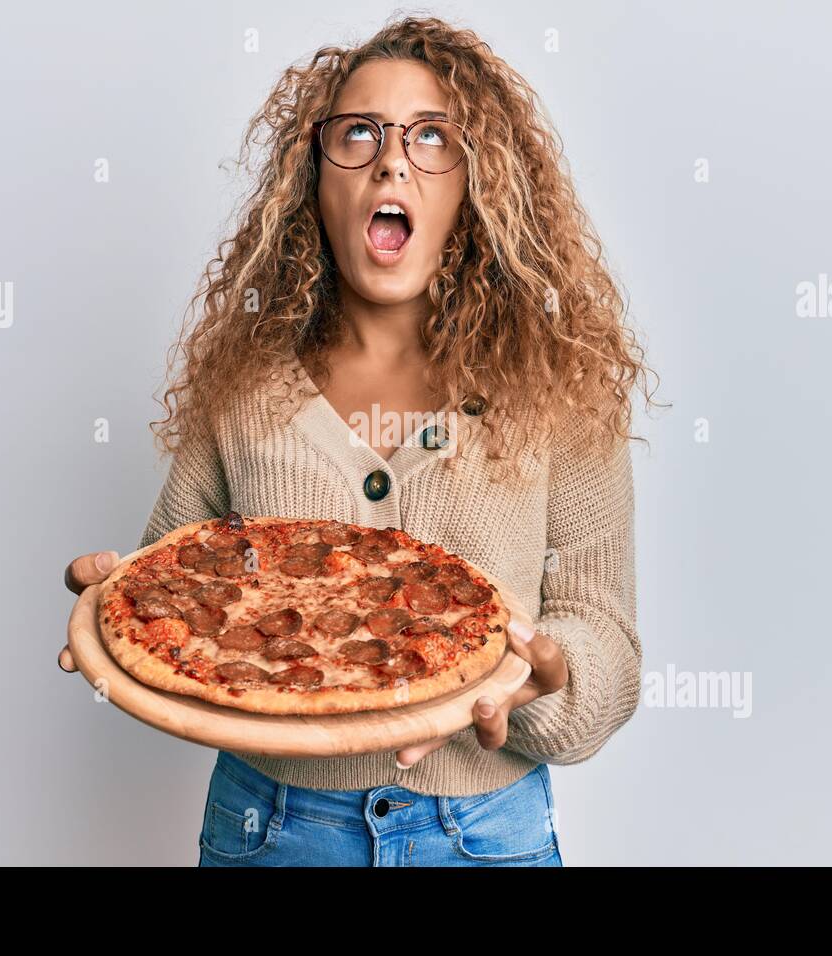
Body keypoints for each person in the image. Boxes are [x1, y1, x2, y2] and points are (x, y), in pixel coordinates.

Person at [59, 15, 657, 866]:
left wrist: (544, 676)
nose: (391, 160)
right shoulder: (246, 385)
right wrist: (118, 602)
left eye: (432, 137)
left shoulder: (562, 389)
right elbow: (174, 575)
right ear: (315, 175)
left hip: (485, 836)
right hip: (270, 829)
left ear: (475, 180)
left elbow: (608, 638)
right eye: (359, 134)